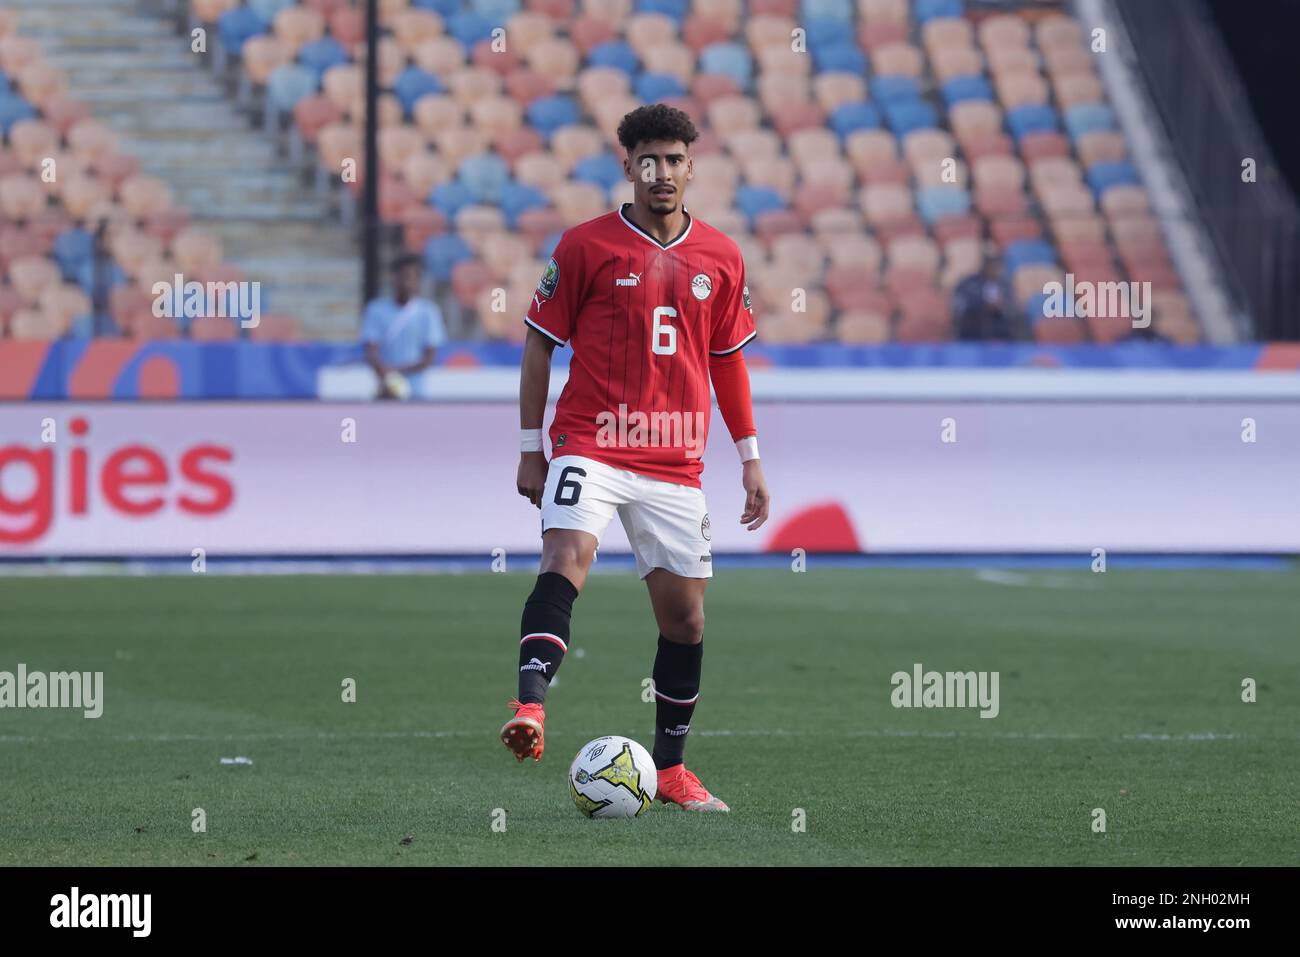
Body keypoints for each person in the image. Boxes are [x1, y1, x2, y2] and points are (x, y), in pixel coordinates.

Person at [500, 104, 771, 812]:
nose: (662, 172)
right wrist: (532, 447)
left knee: (684, 621)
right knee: (565, 558)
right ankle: (530, 706)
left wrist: (749, 456)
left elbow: (728, 363)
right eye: (648, 160)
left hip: (676, 461)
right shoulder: (586, 246)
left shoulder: (722, 256)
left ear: (690, 167)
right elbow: (538, 344)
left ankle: (673, 770)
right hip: (591, 439)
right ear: (629, 166)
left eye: (674, 159)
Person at [361, 254, 446, 399]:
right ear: (394, 278)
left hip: (417, 393)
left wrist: (395, 372)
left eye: (414, 277)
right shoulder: (376, 310)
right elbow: (371, 350)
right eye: (405, 276)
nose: (409, 282)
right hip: (385, 391)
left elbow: (429, 356)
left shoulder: (429, 312)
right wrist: (387, 376)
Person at [953, 245, 1018, 340]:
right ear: (984, 265)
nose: (994, 268)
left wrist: (1001, 306)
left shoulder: (1004, 285)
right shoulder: (968, 283)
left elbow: (1012, 307)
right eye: (991, 264)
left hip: (1000, 329)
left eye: (997, 264)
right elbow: (960, 305)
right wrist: (984, 305)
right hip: (974, 329)